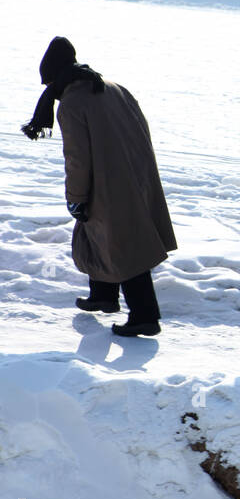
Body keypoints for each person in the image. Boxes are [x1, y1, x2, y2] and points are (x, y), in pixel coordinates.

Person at [21, 36, 176, 337]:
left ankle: (145, 317)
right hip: (136, 176)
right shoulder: (112, 86)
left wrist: (76, 197)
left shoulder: (72, 103)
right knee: (96, 236)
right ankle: (103, 296)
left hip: (107, 184)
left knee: (124, 246)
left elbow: (77, 159)